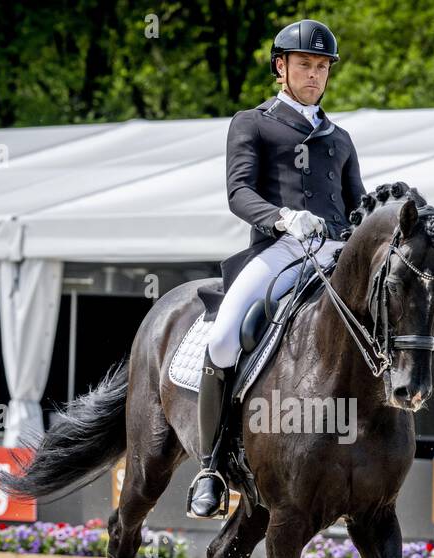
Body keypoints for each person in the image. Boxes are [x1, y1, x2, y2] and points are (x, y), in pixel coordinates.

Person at [188, 18, 366, 518]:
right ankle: (212, 465)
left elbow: (356, 207)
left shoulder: (340, 137)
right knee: (223, 340)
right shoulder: (253, 122)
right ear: (281, 67)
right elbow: (239, 193)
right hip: (279, 248)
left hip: (334, 253)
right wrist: (283, 217)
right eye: (305, 64)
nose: (315, 75)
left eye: (322, 67)